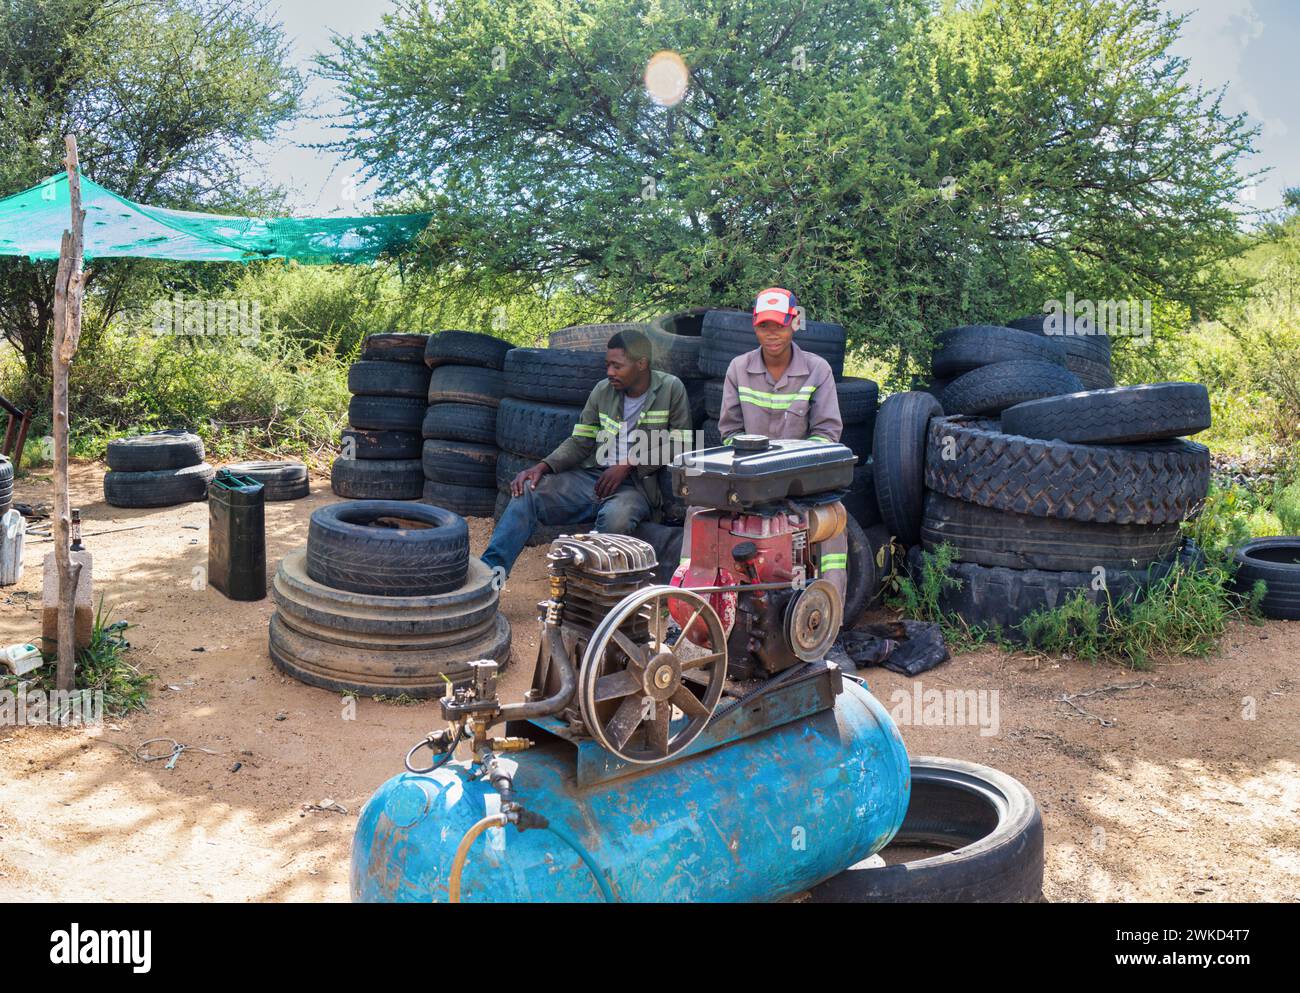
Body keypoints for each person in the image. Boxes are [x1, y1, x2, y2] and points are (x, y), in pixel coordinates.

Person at [481, 328, 694, 581]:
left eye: (617, 366)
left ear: (641, 363)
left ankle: (593, 596)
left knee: (614, 520)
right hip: (592, 478)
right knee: (528, 493)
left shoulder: (671, 388)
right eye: (607, 365)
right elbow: (580, 441)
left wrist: (629, 463)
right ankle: (488, 579)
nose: (609, 372)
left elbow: (682, 445)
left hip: (635, 487)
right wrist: (542, 467)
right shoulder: (602, 391)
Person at [698, 287, 848, 599]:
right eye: (765, 326)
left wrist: (793, 473)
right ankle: (698, 599)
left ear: (794, 322)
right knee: (699, 514)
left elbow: (827, 433)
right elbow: (729, 431)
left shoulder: (818, 369)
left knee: (834, 524)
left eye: (779, 325)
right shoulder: (739, 368)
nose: (772, 334)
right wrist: (752, 467)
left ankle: (828, 616)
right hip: (749, 483)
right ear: (755, 326)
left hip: (801, 486)